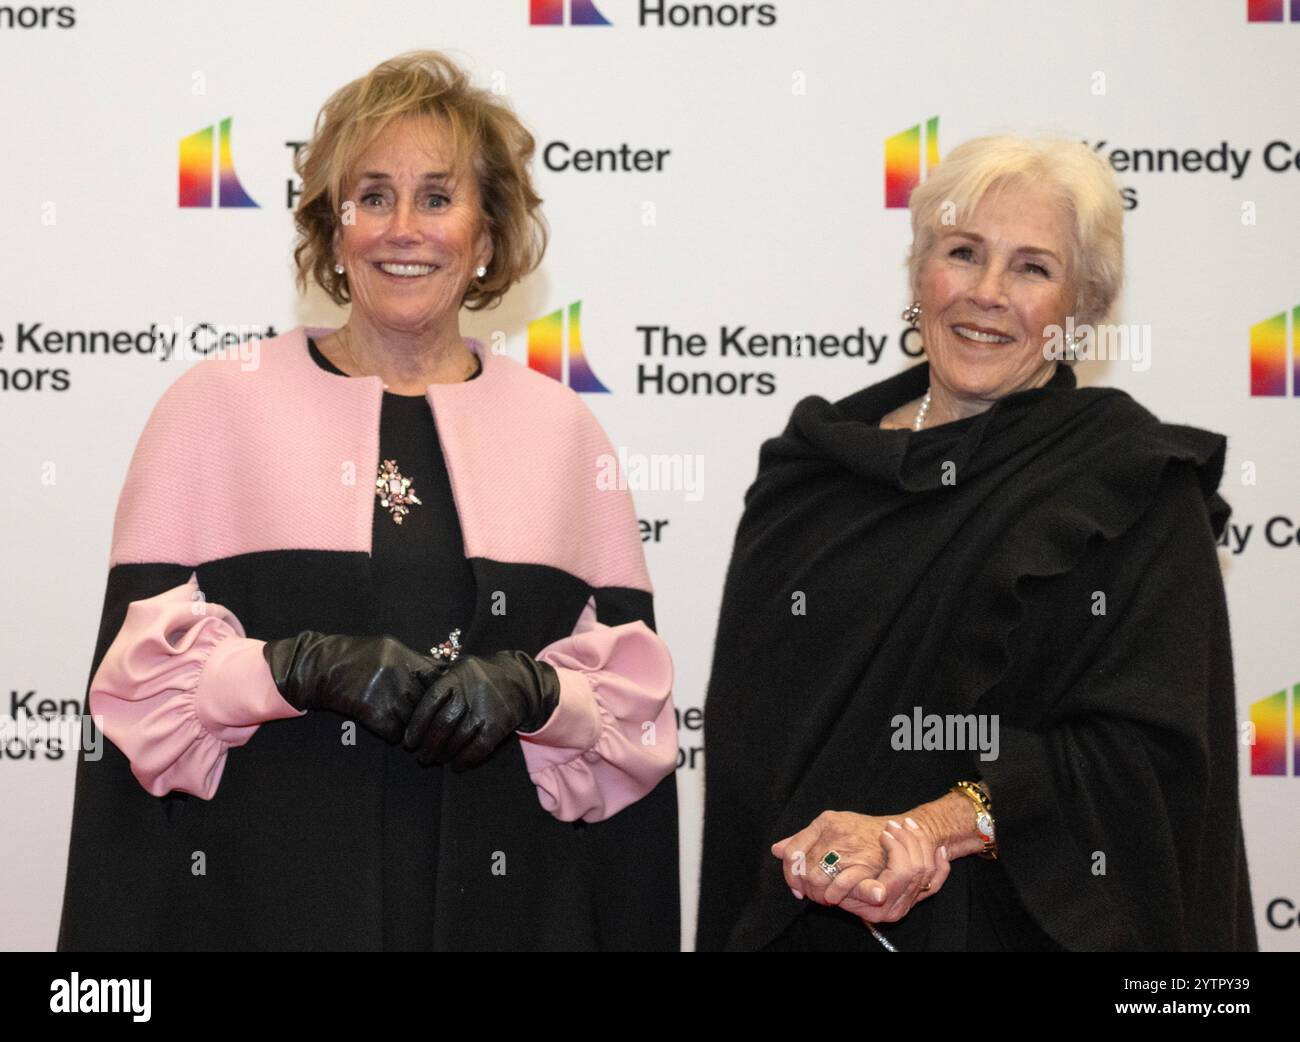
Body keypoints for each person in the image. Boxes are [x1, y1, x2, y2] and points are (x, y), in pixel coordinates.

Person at [58, 50, 679, 952]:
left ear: (489, 235)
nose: (403, 228)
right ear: (331, 227)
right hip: (253, 911)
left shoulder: (564, 434)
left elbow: (628, 738)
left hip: (506, 914)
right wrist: (292, 669)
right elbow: (137, 721)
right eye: (372, 196)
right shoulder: (213, 409)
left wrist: (540, 692)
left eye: (437, 197)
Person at [695, 135, 1257, 952]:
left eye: (1033, 268)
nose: (988, 293)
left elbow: (1145, 764)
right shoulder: (808, 474)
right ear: (921, 275)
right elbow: (752, 757)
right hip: (804, 926)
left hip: (1015, 925)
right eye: (964, 253)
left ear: (1082, 308)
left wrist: (931, 827)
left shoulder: (1133, 488)